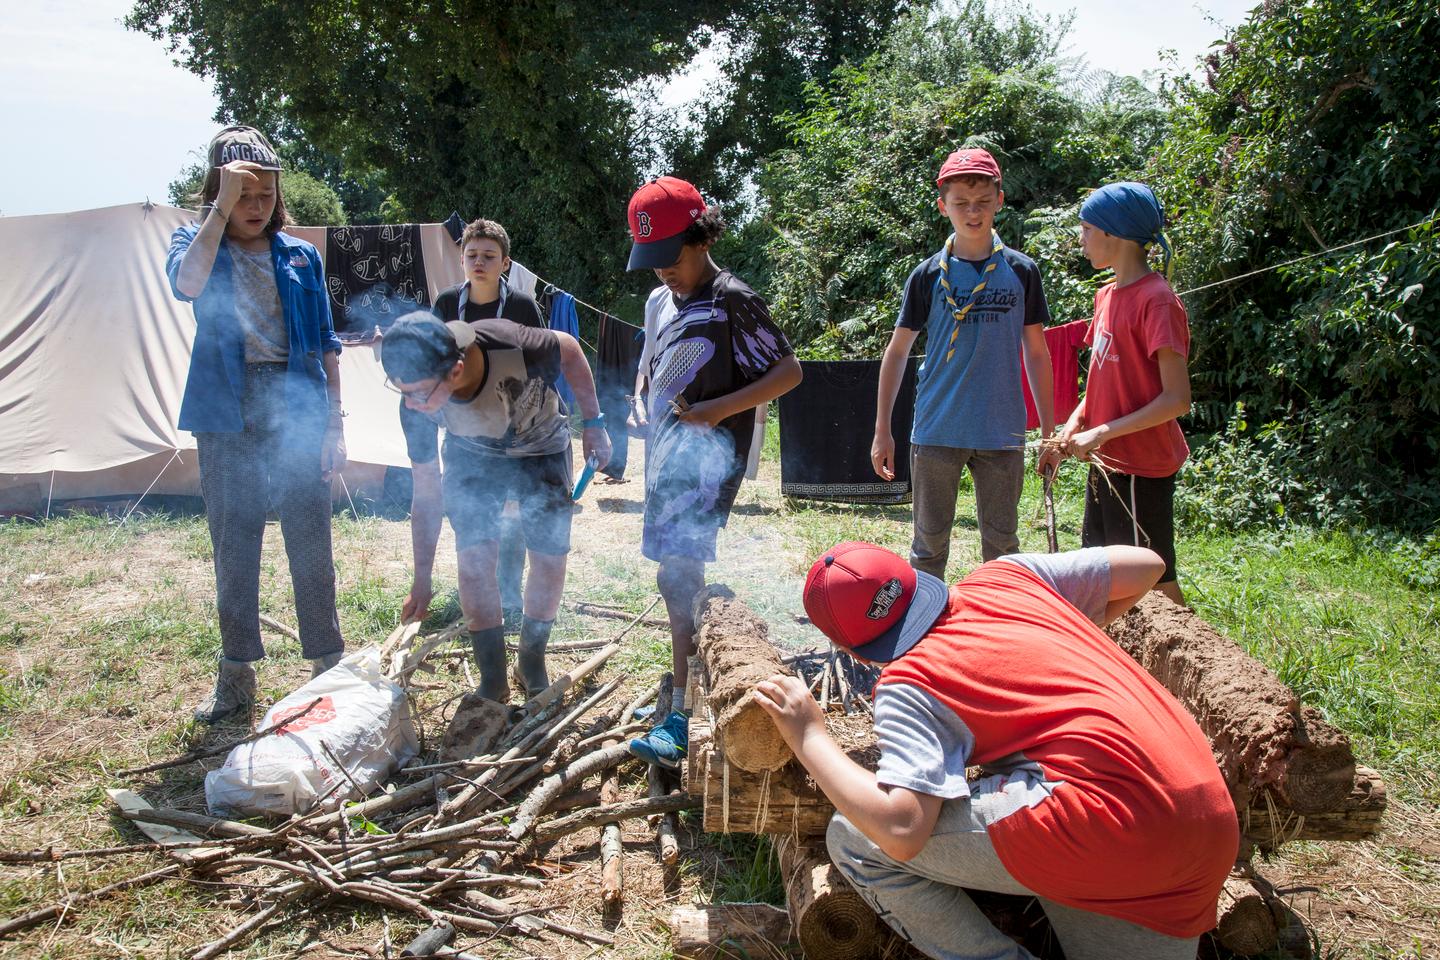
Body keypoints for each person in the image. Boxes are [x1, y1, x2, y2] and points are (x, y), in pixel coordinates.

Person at [754, 541, 1237, 960]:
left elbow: (902, 829)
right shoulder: (1009, 577)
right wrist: (1071, 630)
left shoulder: (908, 682)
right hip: (1204, 818)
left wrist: (809, 735)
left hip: (1103, 822)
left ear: (853, 652)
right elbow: (1147, 565)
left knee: (856, 839)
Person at [165, 125, 346, 723]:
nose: (256, 205)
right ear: (218, 191)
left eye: (265, 193)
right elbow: (186, 286)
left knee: (310, 538)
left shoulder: (300, 255)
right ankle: (236, 678)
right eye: (242, 194)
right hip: (227, 408)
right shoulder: (194, 243)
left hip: (296, 404)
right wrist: (219, 209)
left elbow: (326, 344)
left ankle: (328, 667)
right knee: (234, 541)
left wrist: (334, 426)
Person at [623, 176, 802, 768]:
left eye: (671, 256)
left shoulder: (733, 300)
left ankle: (682, 714)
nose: (663, 270)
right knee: (671, 579)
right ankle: (688, 683)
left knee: (680, 579)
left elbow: (789, 372)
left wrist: (719, 409)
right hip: (666, 462)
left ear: (701, 237)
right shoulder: (664, 300)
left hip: (704, 466)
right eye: (653, 260)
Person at [380, 300, 610, 702]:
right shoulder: (413, 403)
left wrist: (593, 423)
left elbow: (570, 350)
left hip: (541, 447)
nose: (410, 404)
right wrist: (422, 579)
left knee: (548, 559)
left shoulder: (512, 344)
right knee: (474, 564)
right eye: (402, 392)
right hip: (471, 455)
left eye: (417, 393)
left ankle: (531, 660)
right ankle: (493, 679)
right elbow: (427, 491)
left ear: (454, 371)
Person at [872, 148, 1055, 576]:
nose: (973, 213)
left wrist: (1048, 432)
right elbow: (897, 352)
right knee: (929, 545)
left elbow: (1036, 352)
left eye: (983, 202)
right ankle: (928, 615)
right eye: (961, 204)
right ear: (943, 206)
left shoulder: (1022, 271)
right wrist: (882, 430)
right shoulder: (927, 275)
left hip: (1002, 431)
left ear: (1000, 201)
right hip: (938, 428)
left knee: (1003, 547)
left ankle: (998, 616)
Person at [1052, 181, 1192, 606]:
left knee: (1154, 582)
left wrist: (1101, 432)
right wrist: (1075, 423)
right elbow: (1101, 381)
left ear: (1114, 233)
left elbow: (1177, 399)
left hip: (1141, 466)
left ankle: (1194, 646)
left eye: (1086, 230)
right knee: (1101, 570)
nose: (1081, 240)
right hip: (1107, 460)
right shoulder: (1105, 295)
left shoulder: (1158, 301)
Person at [429, 219, 547, 632]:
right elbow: (433, 361)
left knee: (512, 517)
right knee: (470, 513)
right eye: (472, 255)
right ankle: (478, 597)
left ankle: (509, 596)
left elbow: (541, 364)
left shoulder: (522, 307)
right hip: (463, 431)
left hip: (513, 430)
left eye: (489, 256)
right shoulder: (447, 303)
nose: (479, 262)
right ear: (461, 259)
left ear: (505, 263)